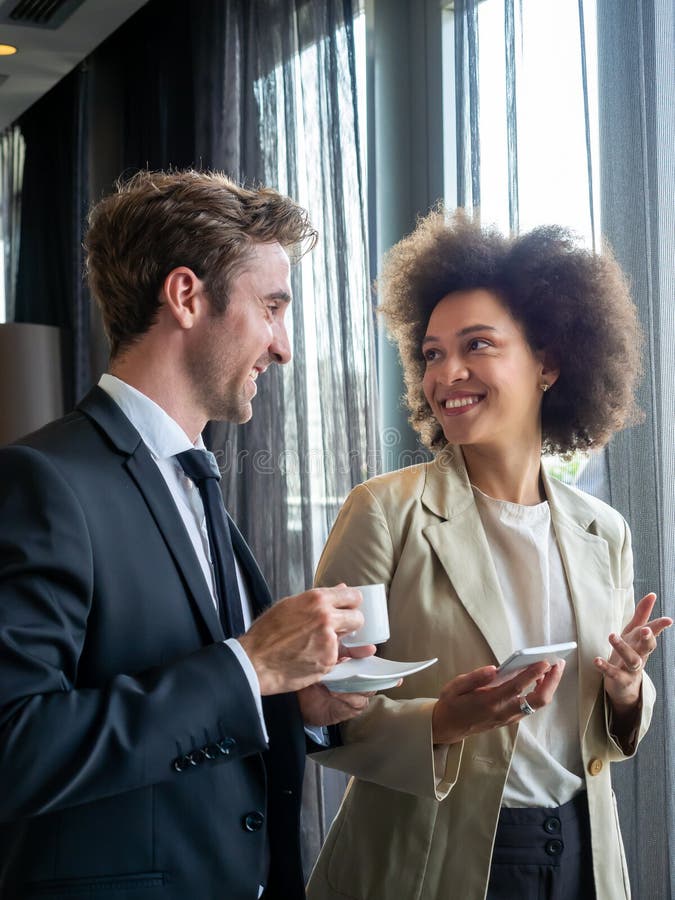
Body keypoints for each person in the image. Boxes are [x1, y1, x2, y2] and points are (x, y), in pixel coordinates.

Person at [0, 170, 374, 900]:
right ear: (185, 296)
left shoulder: (196, 483)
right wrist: (247, 669)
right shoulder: (42, 482)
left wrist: (290, 702)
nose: (284, 346)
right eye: (271, 307)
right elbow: (16, 745)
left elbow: (203, 701)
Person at [306, 210, 672, 900]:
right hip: (432, 857)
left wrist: (626, 691)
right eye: (433, 353)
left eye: (477, 345)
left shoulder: (604, 532)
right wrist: (441, 721)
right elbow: (325, 709)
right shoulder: (384, 513)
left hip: (581, 852)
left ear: (547, 363)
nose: (448, 372)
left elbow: (607, 727)